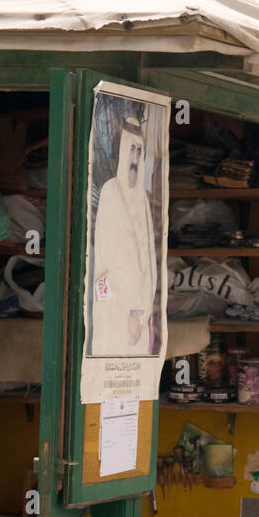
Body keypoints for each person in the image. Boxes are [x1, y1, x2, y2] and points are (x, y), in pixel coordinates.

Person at [90, 116, 158, 356]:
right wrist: (123, 312)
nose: (135, 159)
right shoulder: (110, 193)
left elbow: (148, 262)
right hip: (117, 316)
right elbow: (102, 268)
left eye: (139, 151)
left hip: (141, 317)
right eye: (132, 150)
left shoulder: (141, 199)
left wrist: (144, 312)